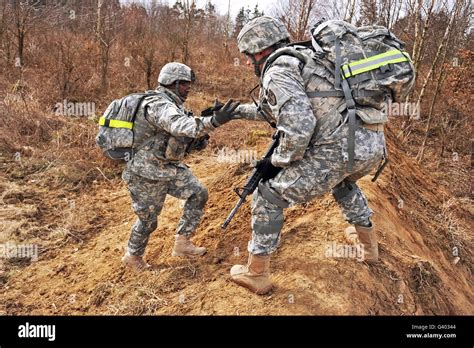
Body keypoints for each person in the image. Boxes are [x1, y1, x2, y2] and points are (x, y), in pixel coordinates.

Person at [230, 16, 387, 294]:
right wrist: (233, 112)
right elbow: (275, 110)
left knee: (267, 195)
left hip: (339, 151)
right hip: (371, 143)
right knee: (343, 182)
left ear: (259, 50)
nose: (246, 63)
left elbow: (300, 127)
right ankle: (368, 246)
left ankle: (257, 273)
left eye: (247, 56)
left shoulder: (277, 70)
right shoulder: (307, 57)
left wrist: (276, 162)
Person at [121, 62, 240, 271]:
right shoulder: (158, 104)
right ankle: (133, 256)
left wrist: (200, 133)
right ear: (173, 83)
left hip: (169, 167)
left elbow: (181, 137)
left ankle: (182, 243)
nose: (188, 88)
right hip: (146, 172)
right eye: (185, 84)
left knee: (198, 193)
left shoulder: (174, 105)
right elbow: (180, 125)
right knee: (149, 221)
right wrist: (213, 120)